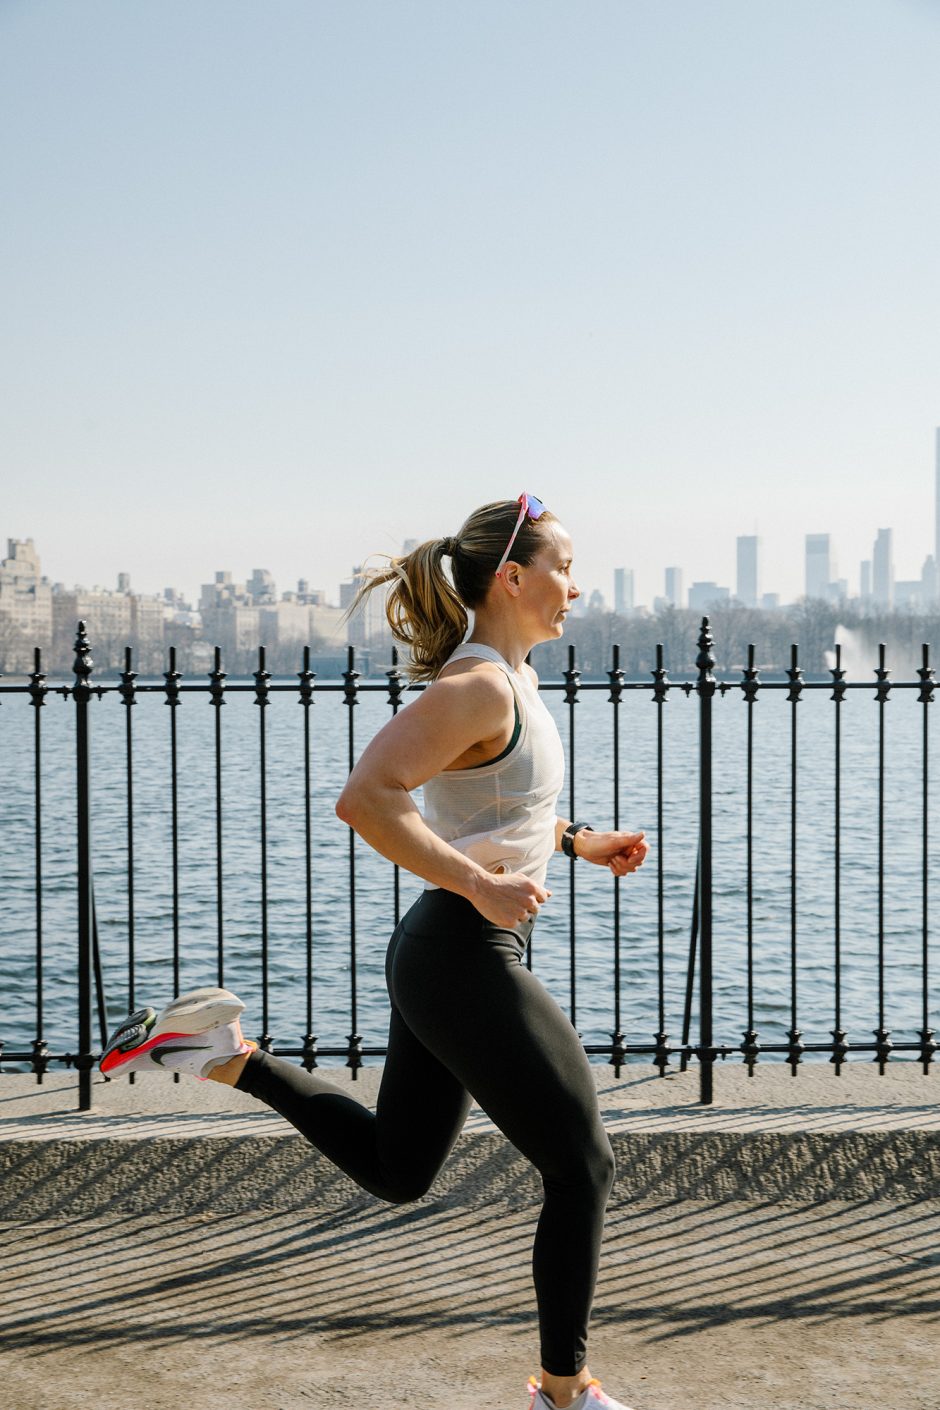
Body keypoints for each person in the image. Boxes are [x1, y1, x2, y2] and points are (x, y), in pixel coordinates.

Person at [99, 495, 649, 1410]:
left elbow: (497, 816)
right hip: (462, 950)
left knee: (400, 1170)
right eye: (562, 568)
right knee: (582, 1161)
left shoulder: (512, 683)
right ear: (512, 577)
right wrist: (480, 886)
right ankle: (566, 1392)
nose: (576, 587)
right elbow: (368, 799)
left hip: (454, 949)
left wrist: (578, 839)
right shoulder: (476, 686)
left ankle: (221, 1055)